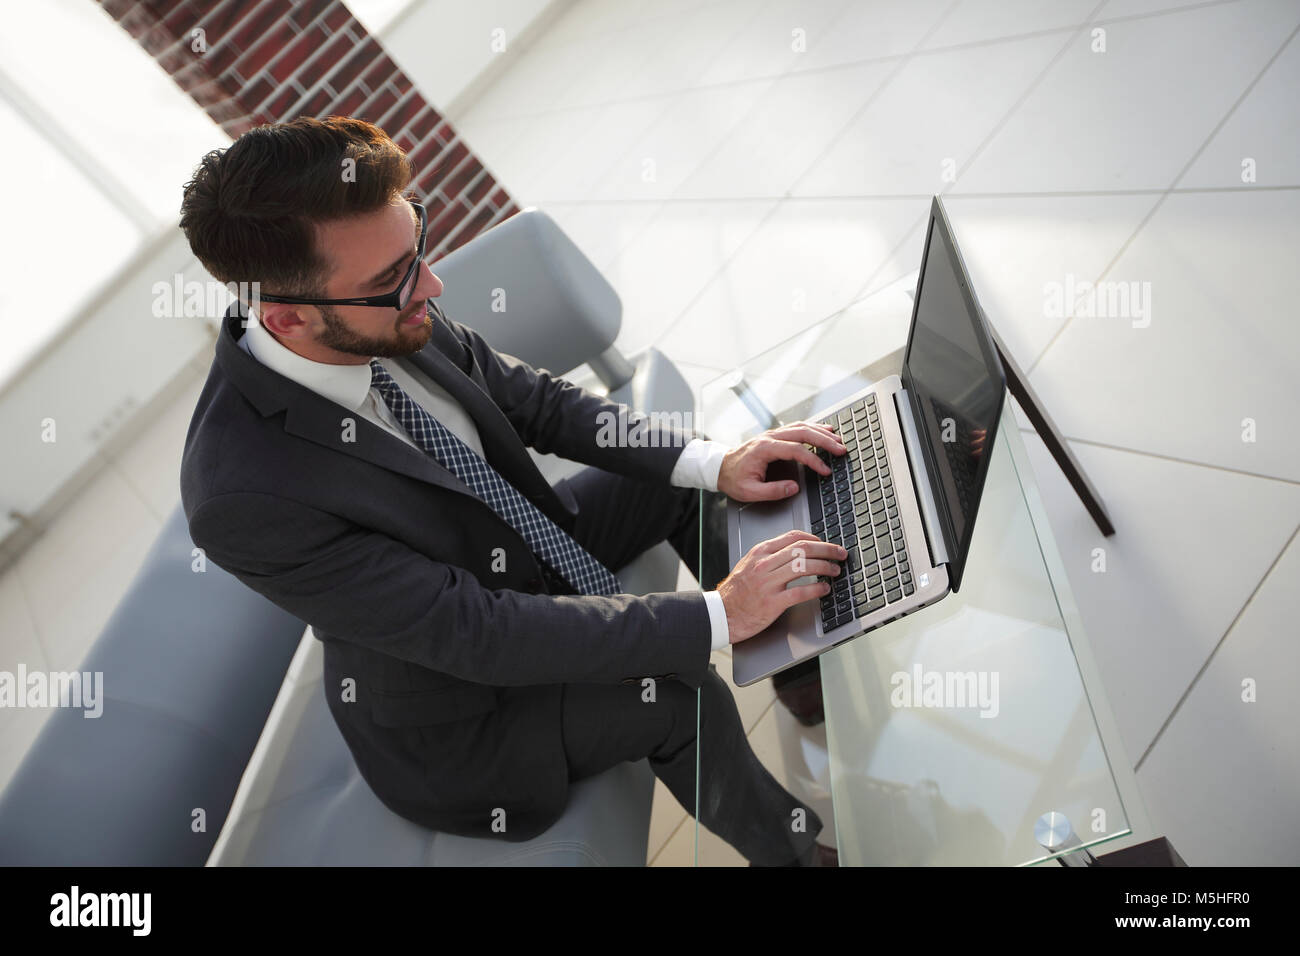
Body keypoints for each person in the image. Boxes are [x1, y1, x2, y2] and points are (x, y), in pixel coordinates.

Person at [178, 116, 846, 866]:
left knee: (681, 488)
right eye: (392, 280)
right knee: (684, 695)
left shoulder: (378, 302)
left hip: (518, 553)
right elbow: (477, 631)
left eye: (417, 249)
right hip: (465, 711)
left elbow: (538, 402)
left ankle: (800, 674)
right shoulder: (242, 498)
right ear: (287, 318)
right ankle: (800, 857)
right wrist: (719, 612)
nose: (430, 285)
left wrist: (712, 461)